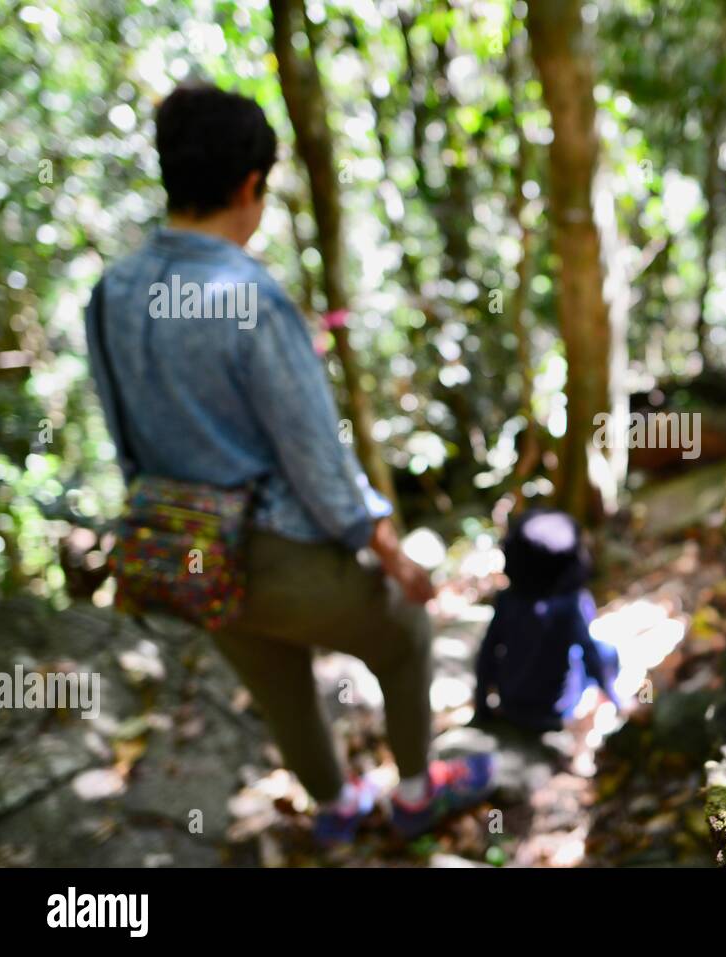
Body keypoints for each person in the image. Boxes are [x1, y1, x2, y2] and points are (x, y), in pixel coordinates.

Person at [83, 84, 492, 845]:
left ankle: (336, 812)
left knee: (280, 687)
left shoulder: (111, 294)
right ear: (251, 185)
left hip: (182, 553)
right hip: (273, 549)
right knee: (404, 632)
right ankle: (411, 796)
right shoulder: (248, 296)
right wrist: (387, 551)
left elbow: (125, 441)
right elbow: (316, 457)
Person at [474, 508, 620, 732]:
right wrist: (616, 699)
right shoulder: (572, 604)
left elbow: (487, 653)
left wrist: (482, 707)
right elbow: (591, 653)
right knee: (607, 650)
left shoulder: (507, 600)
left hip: (512, 705)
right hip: (557, 709)